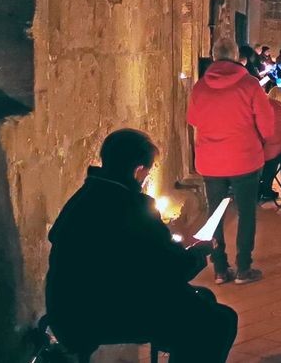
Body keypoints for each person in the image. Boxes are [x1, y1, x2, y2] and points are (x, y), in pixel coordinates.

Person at [46, 130, 238, 362]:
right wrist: (200, 249)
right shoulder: (133, 206)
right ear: (138, 170)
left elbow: (132, 257)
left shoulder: (84, 197)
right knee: (220, 321)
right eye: (149, 170)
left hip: (67, 308)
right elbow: (173, 270)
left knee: (201, 301)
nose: (148, 176)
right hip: (102, 311)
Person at [186, 38, 273, 285]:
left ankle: (220, 268)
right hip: (244, 158)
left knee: (215, 213)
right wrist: (260, 140)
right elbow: (266, 124)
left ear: (214, 57)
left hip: (211, 161)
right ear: (236, 57)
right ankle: (244, 267)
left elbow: (193, 119)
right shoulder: (249, 84)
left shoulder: (201, 87)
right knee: (246, 212)